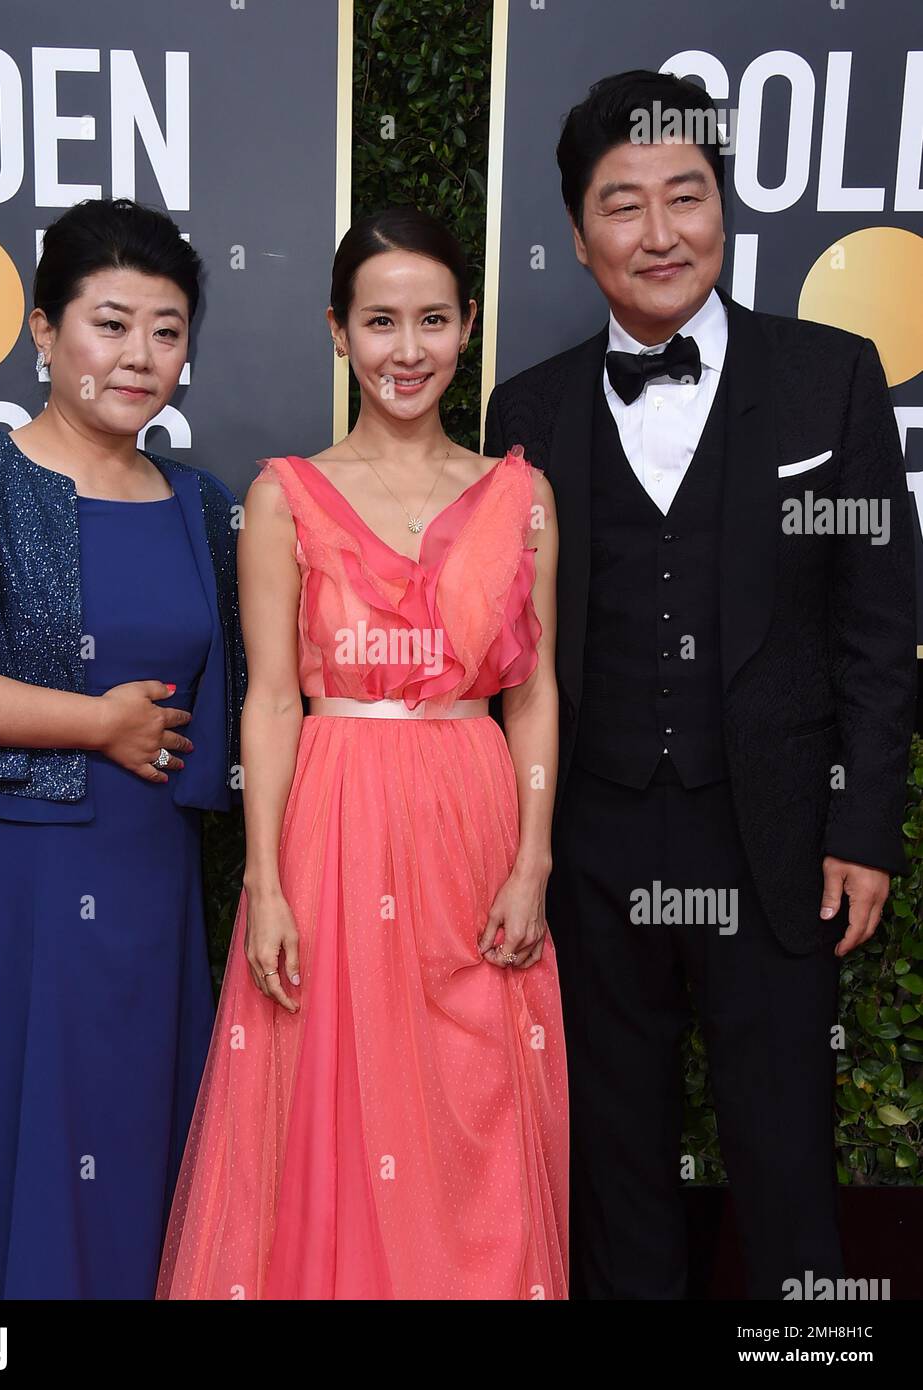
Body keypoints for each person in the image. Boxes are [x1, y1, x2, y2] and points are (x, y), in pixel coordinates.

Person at [483, 70, 917, 1299]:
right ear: (576, 235)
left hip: (767, 829)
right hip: (593, 834)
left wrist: (860, 825)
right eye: (622, 203)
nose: (658, 231)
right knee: (609, 1154)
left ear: (723, 210)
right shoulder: (528, 409)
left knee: (782, 1146)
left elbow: (876, 626)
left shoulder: (828, 377)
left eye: (686, 195)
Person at [157, 207, 568, 1300]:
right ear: (337, 333)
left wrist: (530, 861)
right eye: (378, 322)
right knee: (329, 1109)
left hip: (474, 822)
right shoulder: (282, 498)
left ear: (467, 325)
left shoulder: (520, 497)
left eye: (431, 319)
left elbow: (531, 697)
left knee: (469, 1109)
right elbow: (272, 704)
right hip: (331, 827)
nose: (406, 349)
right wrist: (267, 882)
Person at [0, 197, 245, 1299]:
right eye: (110, 323)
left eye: (167, 332)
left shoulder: (202, 507)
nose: (139, 357)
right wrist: (99, 722)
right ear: (42, 330)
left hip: (137, 888)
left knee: (117, 1154)